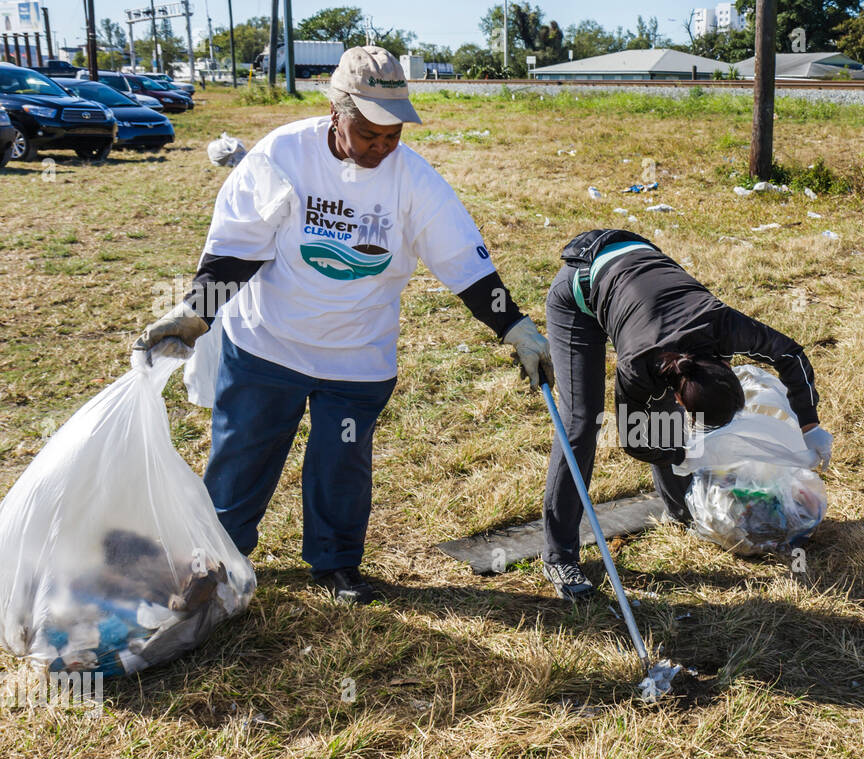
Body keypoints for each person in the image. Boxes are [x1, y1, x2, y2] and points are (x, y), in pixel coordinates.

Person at [131, 46, 551, 605]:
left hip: (356, 355)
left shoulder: (413, 180)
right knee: (242, 458)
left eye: (393, 133)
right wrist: (196, 313)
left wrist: (515, 327)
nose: (382, 144)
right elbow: (238, 248)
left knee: (342, 463)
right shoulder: (283, 154)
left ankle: (336, 564)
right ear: (336, 112)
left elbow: (465, 265)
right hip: (267, 345)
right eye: (369, 131)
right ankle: (217, 563)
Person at [540, 228, 833, 600]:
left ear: (726, 364)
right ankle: (559, 555)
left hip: (636, 265)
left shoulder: (722, 325)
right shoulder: (638, 366)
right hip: (579, 287)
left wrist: (810, 425)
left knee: (665, 424)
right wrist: (680, 454)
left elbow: (790, 355)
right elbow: (635, 439)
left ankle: (685, 512)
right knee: (581, 423)